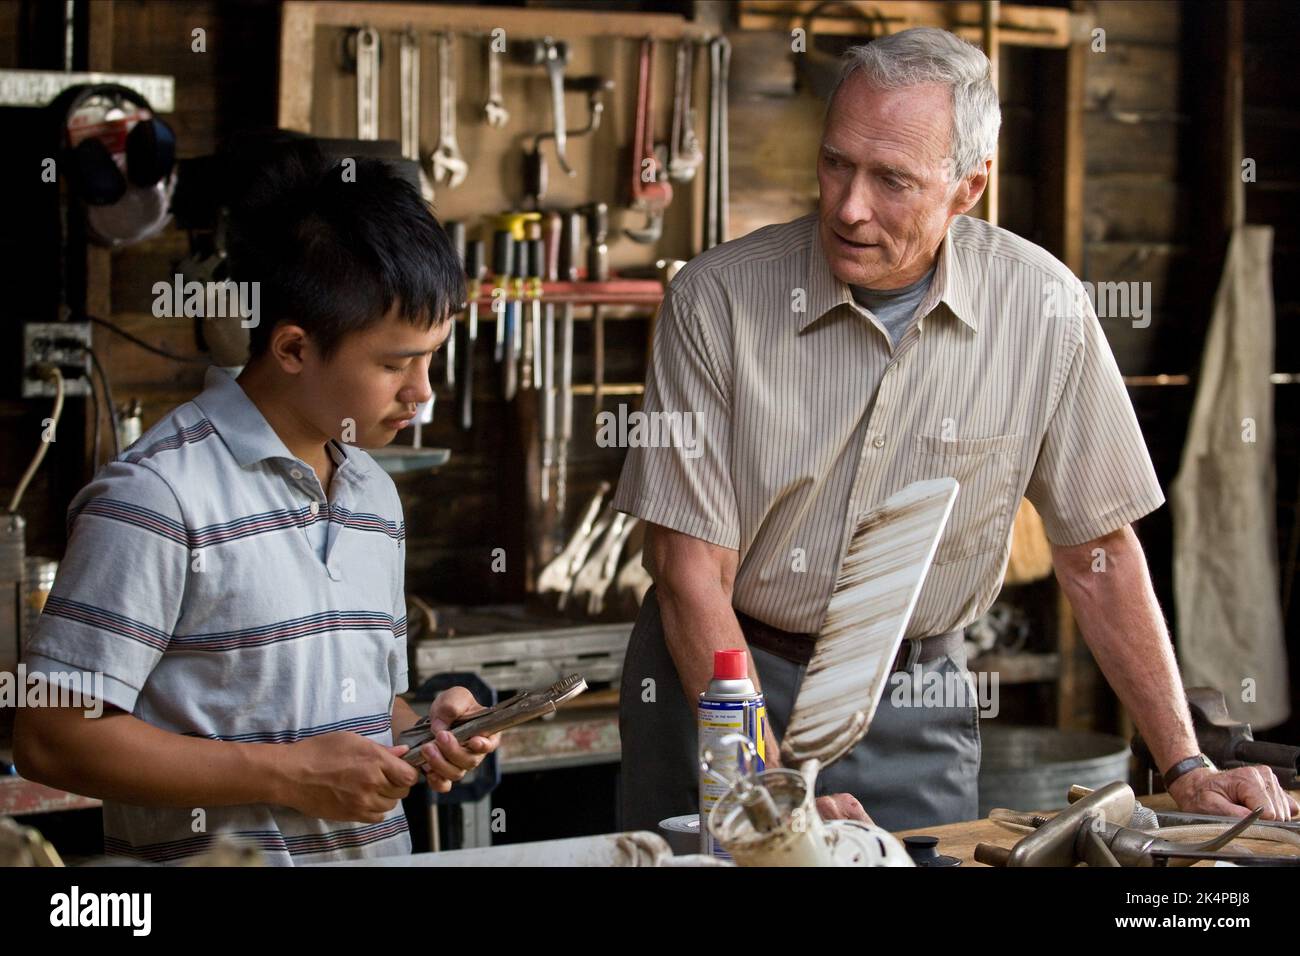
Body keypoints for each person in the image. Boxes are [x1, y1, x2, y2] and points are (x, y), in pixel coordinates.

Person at [613, 27, 1298, 833]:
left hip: (916, 703)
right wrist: (763, 782)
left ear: (968, 187)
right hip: (720, 684)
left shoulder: (1046, 309)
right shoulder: (714, 300)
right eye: (836, 162)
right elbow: (688, 568)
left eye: (891, 179)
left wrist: (1184, 764)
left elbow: (1097, 559)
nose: (848, 206)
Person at [14, 141, 498, 864]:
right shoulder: (158, 495)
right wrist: (287, 777)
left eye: (432, 357)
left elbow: (334, 715)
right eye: (395, 363)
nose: (423, 393)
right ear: (294, 348)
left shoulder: (373, 494)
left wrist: (424, 726)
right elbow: (51, 737)